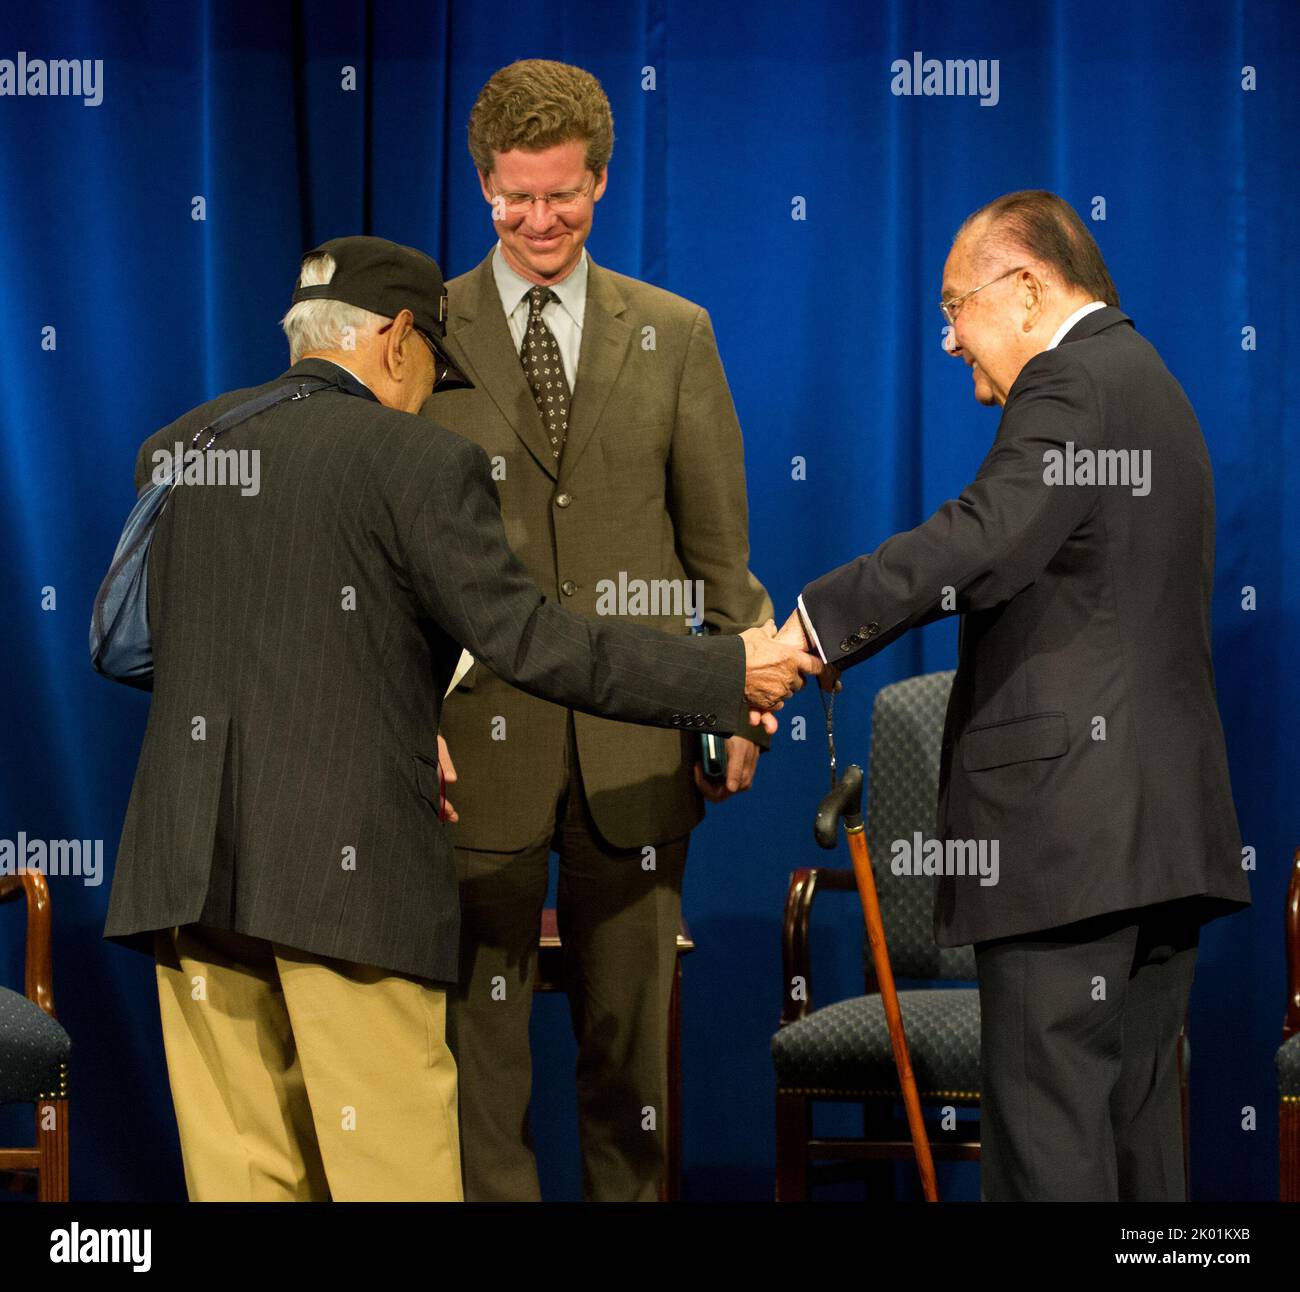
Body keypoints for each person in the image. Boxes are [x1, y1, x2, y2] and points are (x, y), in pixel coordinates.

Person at [101, 234, 817, 1202]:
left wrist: (391, 709)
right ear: (398, 339)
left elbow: (199, 648)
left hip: (183, 879)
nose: (428, 392)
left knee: (245, 1182)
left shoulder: (179, 448)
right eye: (433, 368)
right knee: (393, 1180)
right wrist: (726, 668)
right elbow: (541, 644)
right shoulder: (420, 464)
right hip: (342, 882)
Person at [777, 190, 1251, 1201]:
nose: (948, 341)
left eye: (955, 306)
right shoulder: (1152, 381)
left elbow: (982, 537)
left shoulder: (1071, 381)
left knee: (1049, 1155)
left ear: (1026, 288)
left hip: (1068, 840)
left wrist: (812, 628)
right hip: (1158, 841)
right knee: (1137, 1157)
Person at [425, 59, 776, 1201]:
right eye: (515, 198)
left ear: (602, 181)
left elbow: (719, 550)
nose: (539, 221)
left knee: (628, 1054)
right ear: (483, 184)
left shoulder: (673, 334)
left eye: (562, 195)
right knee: (481, 1052)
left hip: (634, 751)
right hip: (472, 750)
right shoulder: (424, 332)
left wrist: (733, 697)